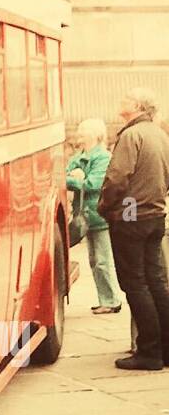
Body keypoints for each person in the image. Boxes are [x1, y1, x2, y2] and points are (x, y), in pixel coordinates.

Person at [97, 88, 169, 370]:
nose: (121, 101)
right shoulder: (160, 134)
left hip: (130, 216)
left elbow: (117, 178)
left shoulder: (131, 135)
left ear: (137, 106)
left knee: (135, 284)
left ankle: (149, 352)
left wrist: (107, 207)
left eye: (126, 98)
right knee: (157, 282)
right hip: (154, 214)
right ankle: (165, 348)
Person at [67, 119, 121, 315]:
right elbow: (63, 178)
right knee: (94, 260)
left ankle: (112, 299)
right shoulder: (77, 158)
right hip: (84, 216)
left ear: (95, 135)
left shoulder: (104, 158)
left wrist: (75, 178)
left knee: (103, 260)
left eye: (83, 131)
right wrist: (75, 178)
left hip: (100, 216)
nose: (78, 134)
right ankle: (105, 298)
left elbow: (92, 184)